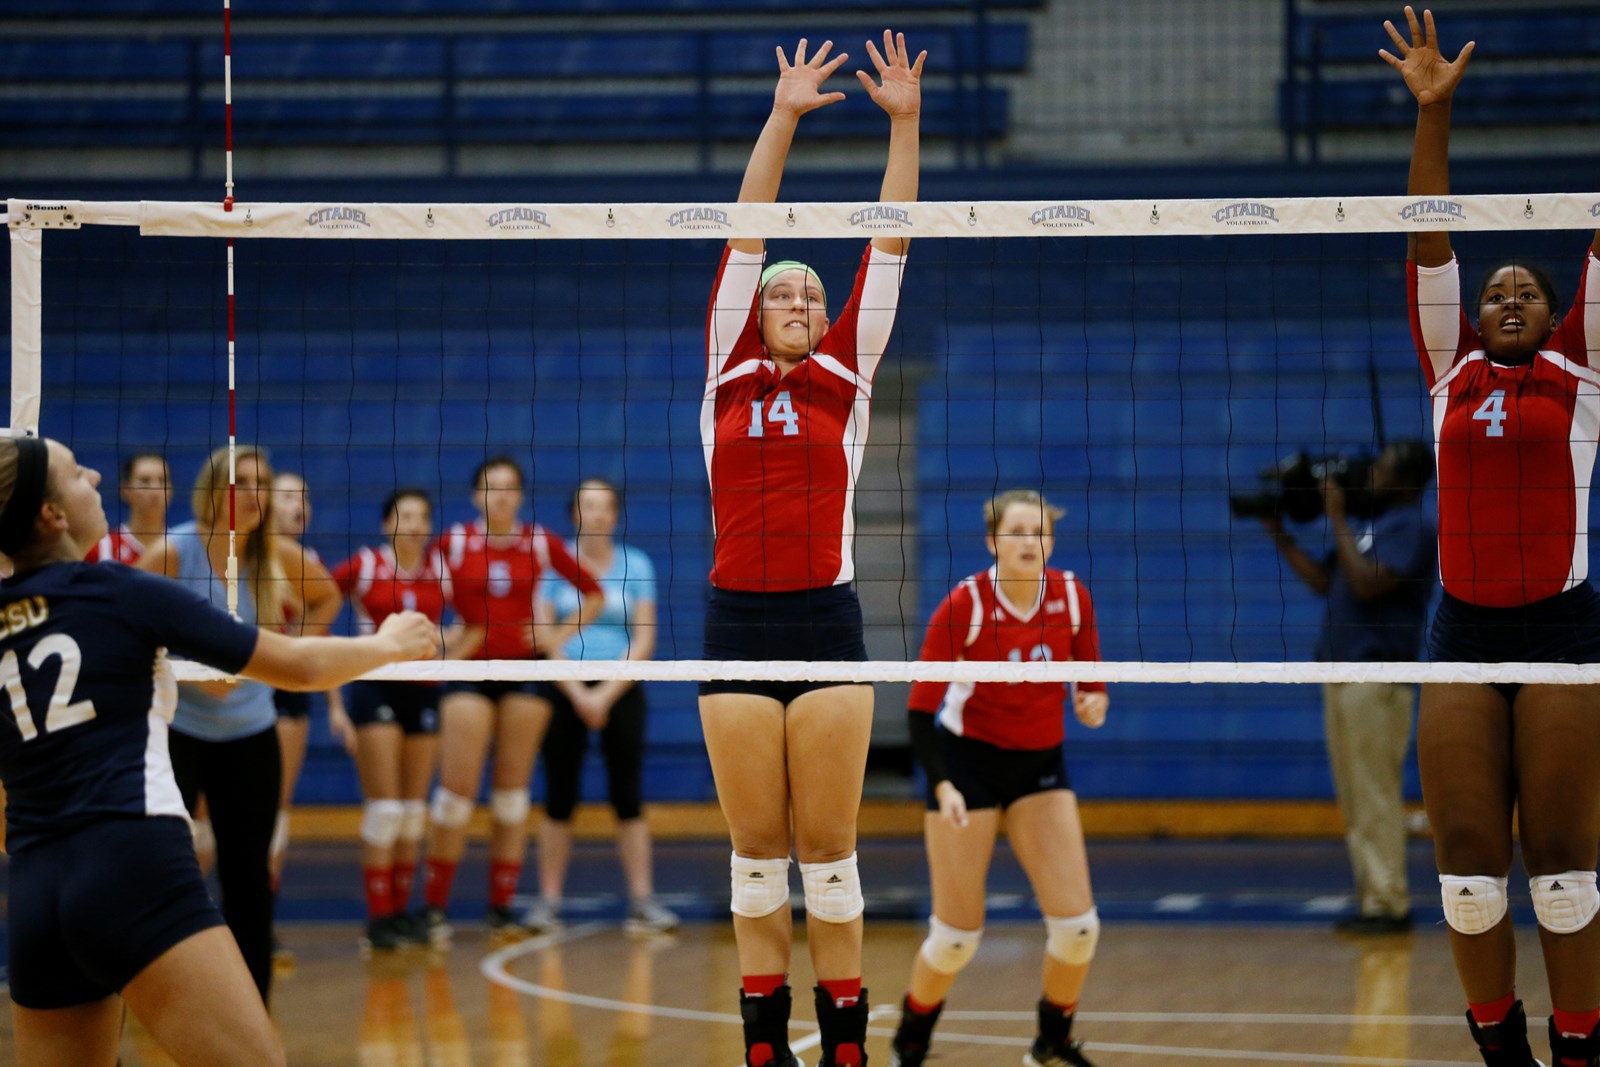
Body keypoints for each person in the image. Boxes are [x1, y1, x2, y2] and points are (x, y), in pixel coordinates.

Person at [0, 435, 437, 1067]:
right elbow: (296, 663)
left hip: (36, 892)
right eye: (76, 473)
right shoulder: (121, 589)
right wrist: (389, 643)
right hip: (133, 864)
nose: (94, 474)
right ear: (52, 515)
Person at [1383, 8, 1600, 1065]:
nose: (1506, 294)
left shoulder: (1579, 375)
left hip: (1561, 632)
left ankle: (1579, 1042)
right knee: (1466, 868)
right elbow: (1430, 233)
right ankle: (1498, 1047)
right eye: (1494, 290)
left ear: (1556, 315)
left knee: (1561, 861)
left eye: (1527, 290)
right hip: (1459, 632)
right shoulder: (1448, 374)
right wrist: (1435, 110)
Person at [700, 31, 921, 1067]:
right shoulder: (722, 378)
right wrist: (784, 115)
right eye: (780, 292)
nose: (794, 300)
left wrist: (904, 123)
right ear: (754, 314)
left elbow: (891, 244)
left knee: (829, 857)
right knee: (754, 858)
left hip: (827, 622)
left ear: (828, 323)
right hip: (735, 624)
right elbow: (748, 230)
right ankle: (759, 1041)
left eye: (810, 297)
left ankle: (843, 1039)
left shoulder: (848, 379)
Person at [889, 490, 1109, 1067]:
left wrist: (1093, 702)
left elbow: (1090, 679)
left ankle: (1051, 1041)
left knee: (1079, 928)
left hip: (1039, 766)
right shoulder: (964, 605)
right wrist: (942, 786)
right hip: (968, 766)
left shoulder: (1070, 595)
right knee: (957, 938)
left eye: (1040, 532)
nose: (1030, 542)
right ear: (992, 542)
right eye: (1016, 532)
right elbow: (918, 710)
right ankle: (911, 1039)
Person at [137, 445, 342, 1002]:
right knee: (164, 867)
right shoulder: (174, 549)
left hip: (251, 734)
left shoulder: (275, 553)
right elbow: (128, 621)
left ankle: (254, 1005)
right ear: (215, 489)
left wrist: (288, 657)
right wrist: (192, 675)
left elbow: (328, 597)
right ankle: (160, 987)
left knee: (249, 878)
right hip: (180, 732)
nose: (255, 492)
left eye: (262, 482)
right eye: (242, 481)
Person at [421, 455, 603, 943]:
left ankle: (500, 906)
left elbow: (595, 593)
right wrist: (448, 641)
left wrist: (553, 636)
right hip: (470, 672)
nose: (500, 495)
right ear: (475, 496)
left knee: (511, 798)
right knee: (456, 796)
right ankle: (434, 906)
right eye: (490, 487)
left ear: (520, 496)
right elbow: (418, 599)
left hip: (524, 672)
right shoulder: (453, 544)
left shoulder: (539, 542)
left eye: (508, 488)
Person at [1260, 441, 1437, 936]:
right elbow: (1324, 580)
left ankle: (1389, 903)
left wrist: (1337, 517)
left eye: (1382, 470)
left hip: (1376, 677)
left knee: (1375, 794)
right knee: (1354, 796)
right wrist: (1282, 537)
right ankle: (1373, 898)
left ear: (1406, 481)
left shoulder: (1412, 527)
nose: (1371, 476)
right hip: (1339, 674)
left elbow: (1367, 584)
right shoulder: (1371, 525)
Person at [526, 477, 678, 936]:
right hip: (563, 685)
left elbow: (644, 638)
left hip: (621, 686)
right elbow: (543, 636)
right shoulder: (553, 566)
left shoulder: (637, 564)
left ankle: (642, 901)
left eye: (604, 507)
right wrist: (577, 691)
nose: (595, 514)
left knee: (628, 796)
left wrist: (605, 692)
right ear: (574, 514)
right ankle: (548, 903)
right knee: (558, 796)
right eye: (587, 506)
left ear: (614, 515)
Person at [329, 488, 459, 950]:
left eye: (424, 516)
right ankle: (379, 918)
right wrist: (333, 703)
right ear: (387, 524)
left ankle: (402, 914)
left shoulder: (442, 571)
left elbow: (481, 618)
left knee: (412, 812)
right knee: (384, 809)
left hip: (424, 692)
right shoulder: (365, 566)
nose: (417, 524)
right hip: (374, 688)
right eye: (406, 515)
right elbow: (316, 605)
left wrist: (451, 653)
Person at [266, 470, 345, 929]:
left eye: (305, 497)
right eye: (289, 496)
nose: (300, 505)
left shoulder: (308, 560)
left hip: (286, 691)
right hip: (231, 689)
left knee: (277, 808)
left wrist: (334, 705)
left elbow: (318, 640)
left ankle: (260, 919)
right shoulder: (232, 554)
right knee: (205, 817)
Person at [85, 450, 170, 564]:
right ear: (126, 490)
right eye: (145, 481)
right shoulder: (102, 548)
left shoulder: (182, 547)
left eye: (162, 480)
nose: (156, 489)